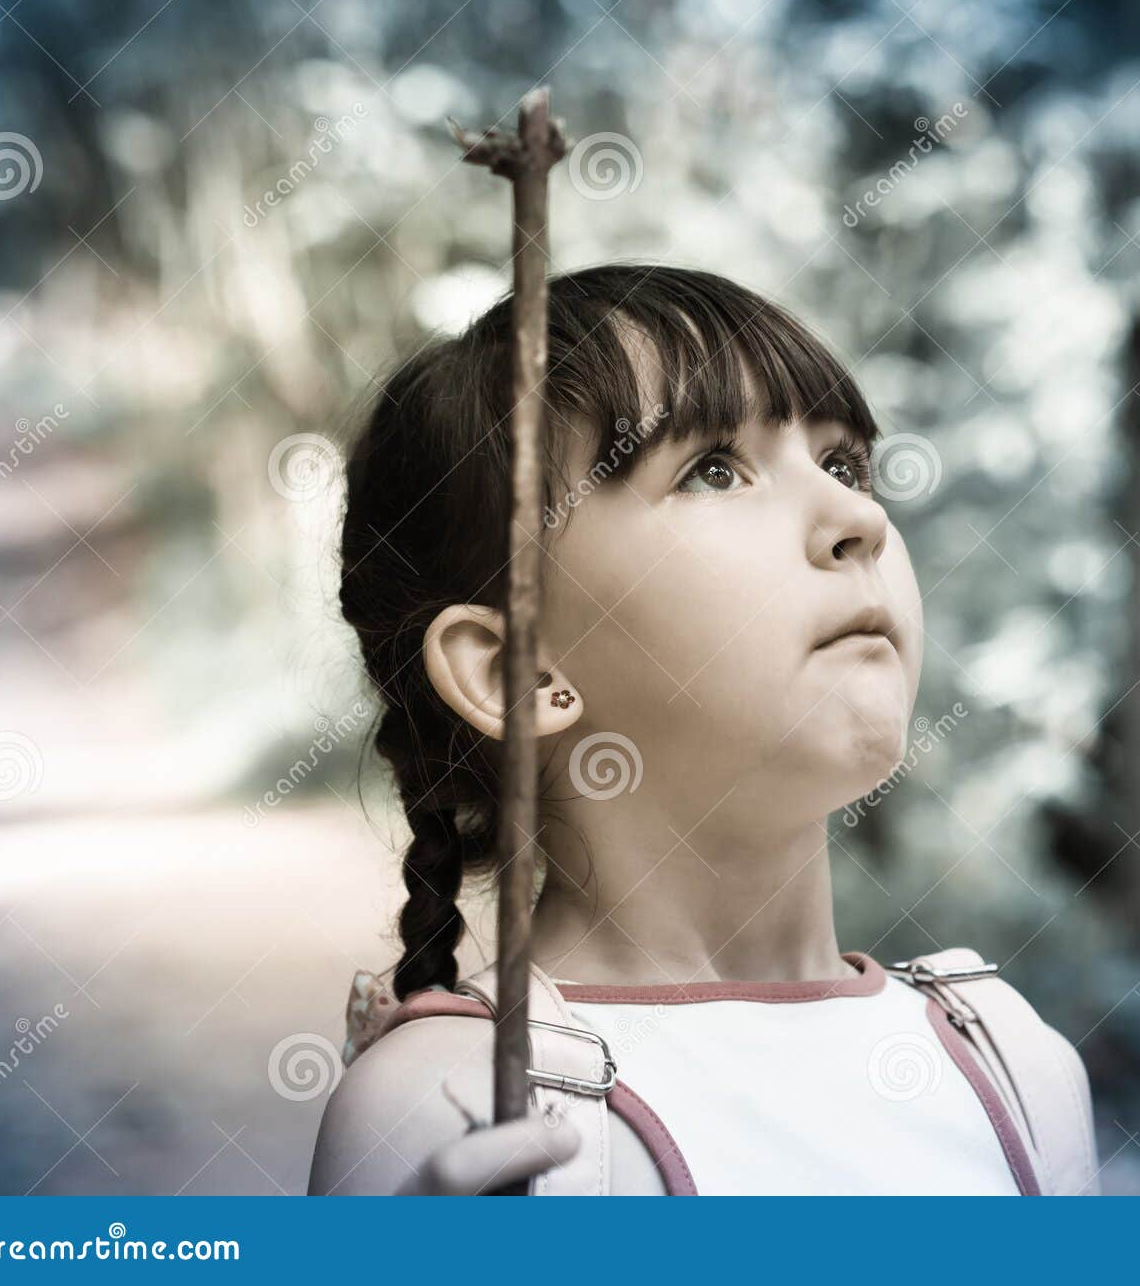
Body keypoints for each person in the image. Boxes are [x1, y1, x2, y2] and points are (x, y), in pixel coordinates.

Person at [306, 263, 1099, 1196]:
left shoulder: (1019, 1067)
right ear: (514, 672)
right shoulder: (450, 1107)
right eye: (713, 469)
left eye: (844, 463)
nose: (859, 517)